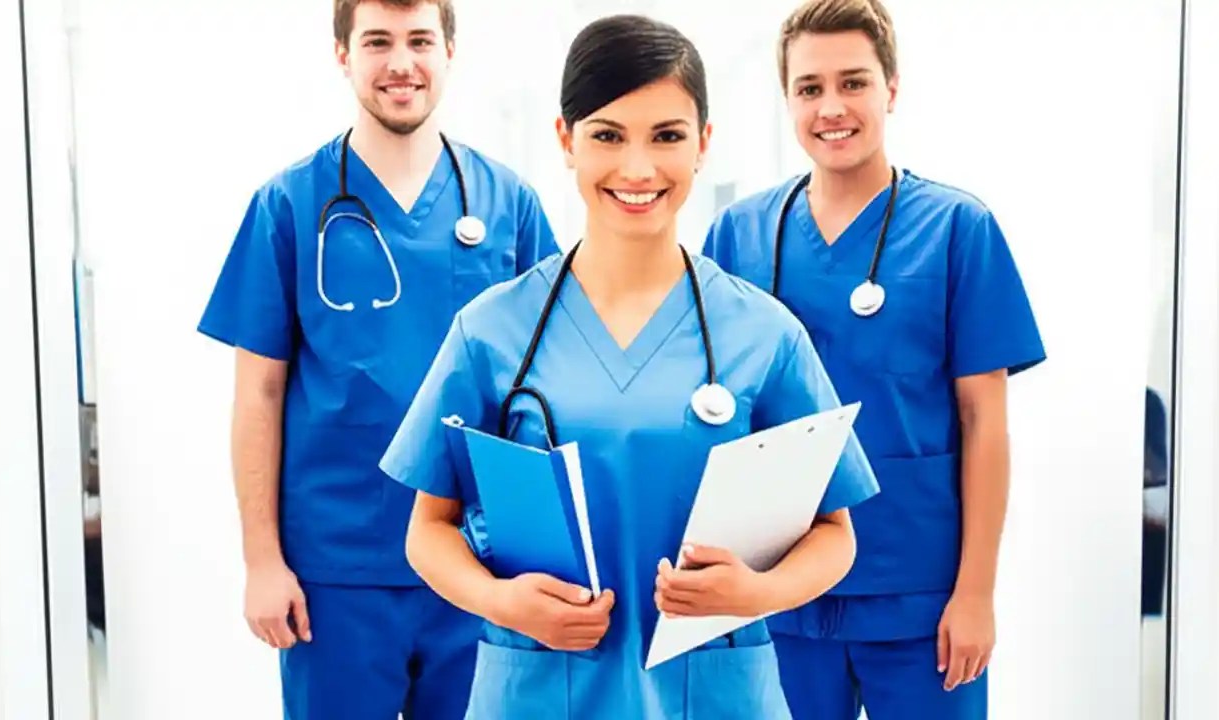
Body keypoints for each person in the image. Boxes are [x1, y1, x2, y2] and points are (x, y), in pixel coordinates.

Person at [378, 13, 881, 719]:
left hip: (713, 695)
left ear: (704, 144)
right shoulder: (491, 330)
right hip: (540, 693)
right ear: (566, 141)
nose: (638, 169)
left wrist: (757, 594)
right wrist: (501, 601)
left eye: (667, 136)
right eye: (608, 136)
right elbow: (426, 531)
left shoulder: (764, 335)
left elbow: (837, 535)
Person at [196, 0, 557, 717]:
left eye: (421, 40)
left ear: (450, 51)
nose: (401, 62)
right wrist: (261, 562)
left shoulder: (509, 203)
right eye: (378, 41)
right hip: (338, 569)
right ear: (343, 54)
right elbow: (257, 396)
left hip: (478, 561)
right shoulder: (288, 205)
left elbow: (549, 387)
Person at [702, 1, 1046, 718]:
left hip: (918, 594)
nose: (832, 107)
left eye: (853, 83)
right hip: (775, 587)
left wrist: (976, 593)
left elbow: (985, 422)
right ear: (788, 99)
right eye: (810, 88)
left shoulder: (957, 229)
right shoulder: (739, 234)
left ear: (892, 87)